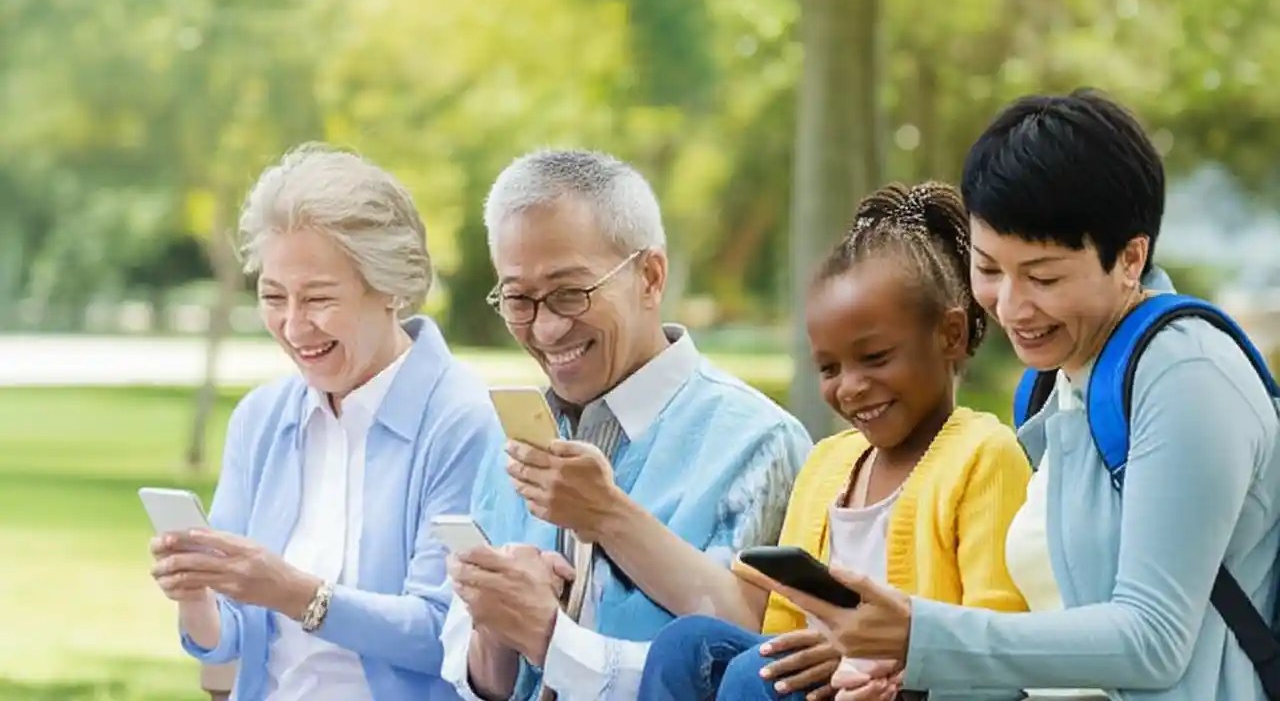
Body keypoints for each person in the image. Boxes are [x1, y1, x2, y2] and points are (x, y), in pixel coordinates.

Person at [763, 90, 1280, 701]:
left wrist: (920, 635)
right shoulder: (1057, 384)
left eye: (1043, 277)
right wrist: (910, 672)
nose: (1010, 307)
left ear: (1131, 257)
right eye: (988, 269)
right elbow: (1048, 632)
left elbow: (1152, 640)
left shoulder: (1186, 375)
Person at [438, 149, 813, 700]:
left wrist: (604, 523)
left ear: (650, 277)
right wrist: (496, 622)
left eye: (570, 293)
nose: (545, 329)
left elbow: (747, 664)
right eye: (519, 299)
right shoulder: (511, 438)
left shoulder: (759, 443)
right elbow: (482, 683)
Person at [637, 182, 1032, 701]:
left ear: (950, 335)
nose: (849, 386)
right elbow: (781, 628)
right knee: (687, 644)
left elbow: (998, 652)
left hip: (914, 691)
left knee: (755, 677)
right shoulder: (828, 464)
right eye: (829, 367)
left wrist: (880, 670)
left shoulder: (984, 456)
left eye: (875, 358)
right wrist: (821, 661)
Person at [148, 144, 506, 700]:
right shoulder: (262, 419)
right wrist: (196, 594)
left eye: (318, 298)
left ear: (389, 288)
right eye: (273, 296)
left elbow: (447, 634)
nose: (293, 326)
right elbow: (227, 641)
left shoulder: (461, 421)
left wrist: (295, 592)